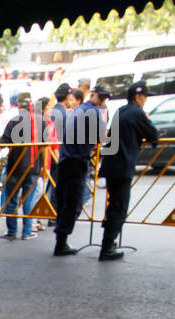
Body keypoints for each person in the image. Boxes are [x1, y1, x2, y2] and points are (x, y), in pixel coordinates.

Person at [98, 82, 160, 261]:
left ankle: (108, 241)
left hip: (111, 165)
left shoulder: (121, 111)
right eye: (145, 96)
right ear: (138, 96)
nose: (145, 100)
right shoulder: (137, 113)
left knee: (113, 206)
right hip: (123, 166)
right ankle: (107, 246)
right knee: (119, 207)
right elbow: (153, 135)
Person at [53, 84, 108, 255]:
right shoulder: (93, 112)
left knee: (64, 201)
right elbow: (102, 137)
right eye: (102, 97)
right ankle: (61, 241)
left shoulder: (79, 110)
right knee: (73, 202)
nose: (103, 101)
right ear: (93, 95)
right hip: (76, 161)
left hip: (65, 159)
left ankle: (60, 240)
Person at [1, 92, 44, 241]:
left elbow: (3, 142)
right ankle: (26, 232)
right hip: (34, 167)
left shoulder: (14, 121)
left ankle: (12, 231)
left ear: (19, 105)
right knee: (28, 200)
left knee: (11, 199)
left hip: (16, 167)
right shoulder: (41, 121)